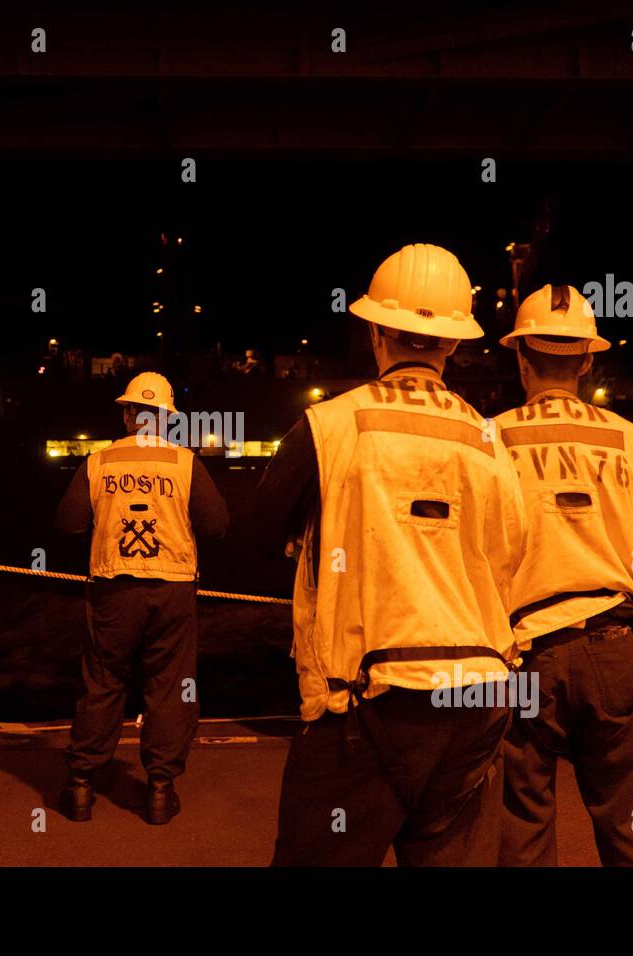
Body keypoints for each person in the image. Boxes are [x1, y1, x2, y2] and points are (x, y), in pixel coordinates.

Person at [253, 244, 527, 866]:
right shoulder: (491, 442)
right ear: (453, 344)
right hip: (478, 695)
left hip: (367, 701)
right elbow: (509, 557)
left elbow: (261, 532)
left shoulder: (329, 426)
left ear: (375, 331)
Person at [494, 283, 633, 866]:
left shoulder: (490, 439)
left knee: (520, 822)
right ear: (589, 359)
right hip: (616, 645)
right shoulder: (631, 439)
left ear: (521, 356)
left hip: (525, 651)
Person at [55, 372, 228, 824]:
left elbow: (68, 523)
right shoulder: (185, 463)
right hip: (172, 588)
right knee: (169, 686)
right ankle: (158, 789)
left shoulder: (98, 462)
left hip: (113, 588)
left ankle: (80, 786)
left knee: (103, 681)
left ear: (129, 414)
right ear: (168, 419)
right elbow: (216, 525)